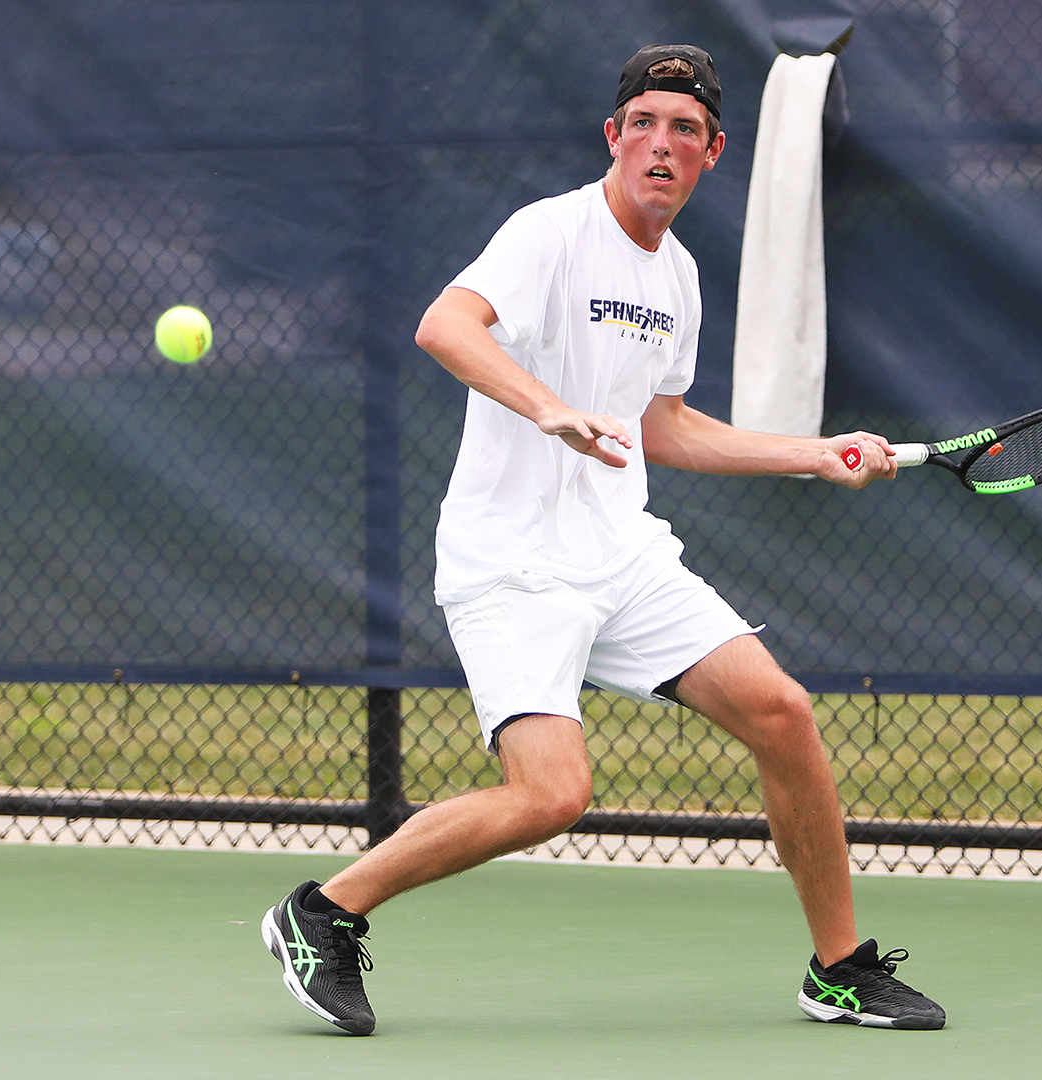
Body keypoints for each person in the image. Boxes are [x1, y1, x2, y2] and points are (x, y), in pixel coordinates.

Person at [262, 43, 945, 1036]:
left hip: (619, 553)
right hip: (513, 562)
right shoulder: (550, 234)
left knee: (782, 713)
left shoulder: (679, 276)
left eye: (683, 130)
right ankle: (320, 913)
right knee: (551, 795)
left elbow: (663, 425)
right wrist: (547, 407)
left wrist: (815, 452)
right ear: (615, 138)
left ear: (713, 153)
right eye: (644, 124)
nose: (660, 144)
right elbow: (444, 326)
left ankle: (838, 968)